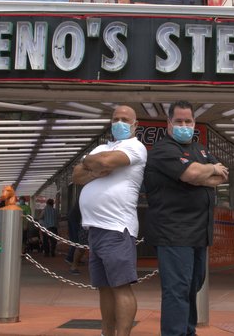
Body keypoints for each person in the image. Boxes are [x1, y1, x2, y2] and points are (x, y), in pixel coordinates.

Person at [143, 100, 228, 336]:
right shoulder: (163, 150)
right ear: (169, 123)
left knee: (192, 287)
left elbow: (221, 177)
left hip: (199, 233)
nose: (183, 125)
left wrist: (201, 174)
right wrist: (206, 170)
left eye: (188, 121)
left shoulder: (199, 149)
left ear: (194, 123)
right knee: (177, 289)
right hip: (173, 232)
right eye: (178, 121)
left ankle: (188, 331)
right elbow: (191, 173)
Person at [72, 104, 147, 336]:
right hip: (96, 229)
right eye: (116, 118)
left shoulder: (136, 147)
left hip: (117, 228)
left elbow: (104, 163)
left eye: (125, 119)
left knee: (120, 287)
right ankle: (107, 333)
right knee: (104, 288)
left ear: (135, 125)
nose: (119, 123)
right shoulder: (103, 147)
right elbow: (76, 175)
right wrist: (92, 164)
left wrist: (94, 164)